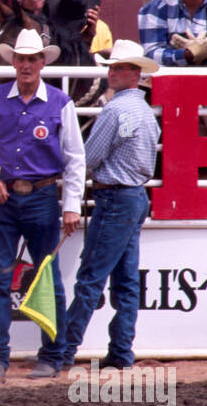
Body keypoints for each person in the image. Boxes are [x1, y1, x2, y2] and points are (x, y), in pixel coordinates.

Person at [50, 40, 160, 372]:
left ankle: (64, 351)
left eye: (120, 68)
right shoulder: (145, 111)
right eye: (113, 67)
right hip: (135, 196)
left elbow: (90, 156)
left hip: (114, 198)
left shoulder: (114, 110)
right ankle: (121, 351)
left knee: (90, 277)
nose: (113, 72)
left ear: (134, 74)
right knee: (126, 281)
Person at [0, 28, 86, 379]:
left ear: (42, 62)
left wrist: (71, 204)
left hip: (43, 196)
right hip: (6, 195)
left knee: (48, 278)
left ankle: (52, 355)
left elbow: (75, 158)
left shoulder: (60, 103)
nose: (26, 65)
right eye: (21, 59)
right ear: (13, 61)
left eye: (32, 59)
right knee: (0, 277)